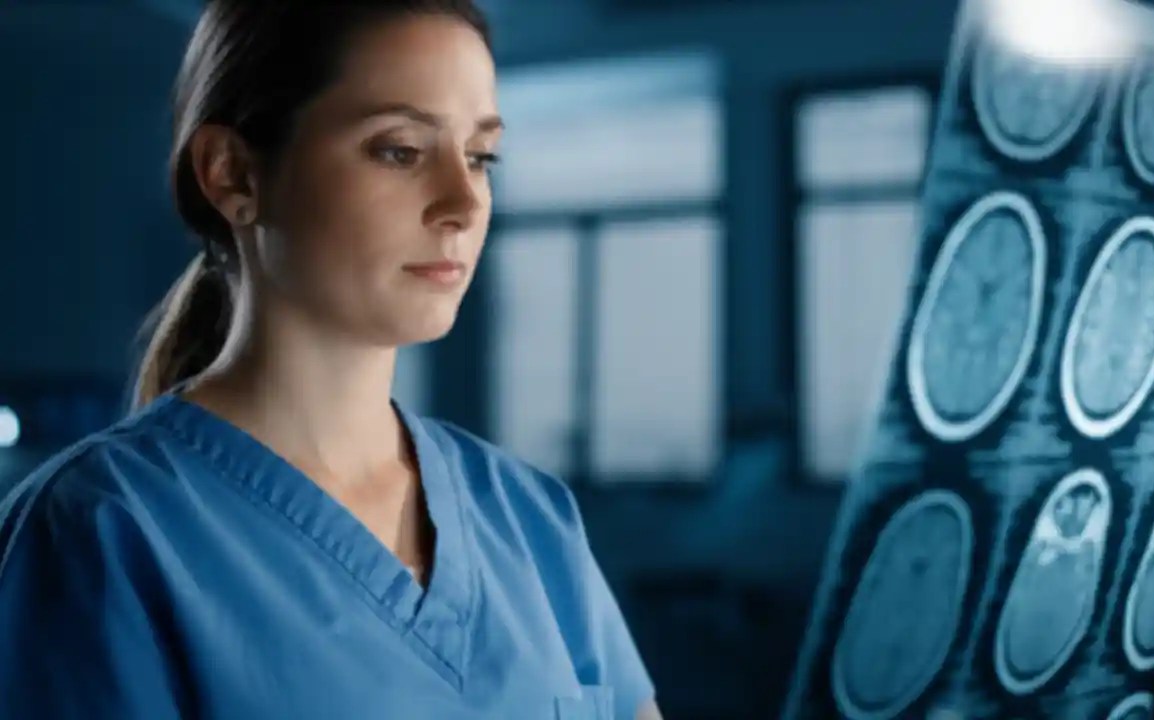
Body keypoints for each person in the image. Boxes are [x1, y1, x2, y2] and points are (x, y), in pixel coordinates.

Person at [0, 2, 661, 718]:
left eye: (480, 157)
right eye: (400, 150)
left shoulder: (530, 519)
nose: (464, 202)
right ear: (234, 175)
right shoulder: (101, 530)